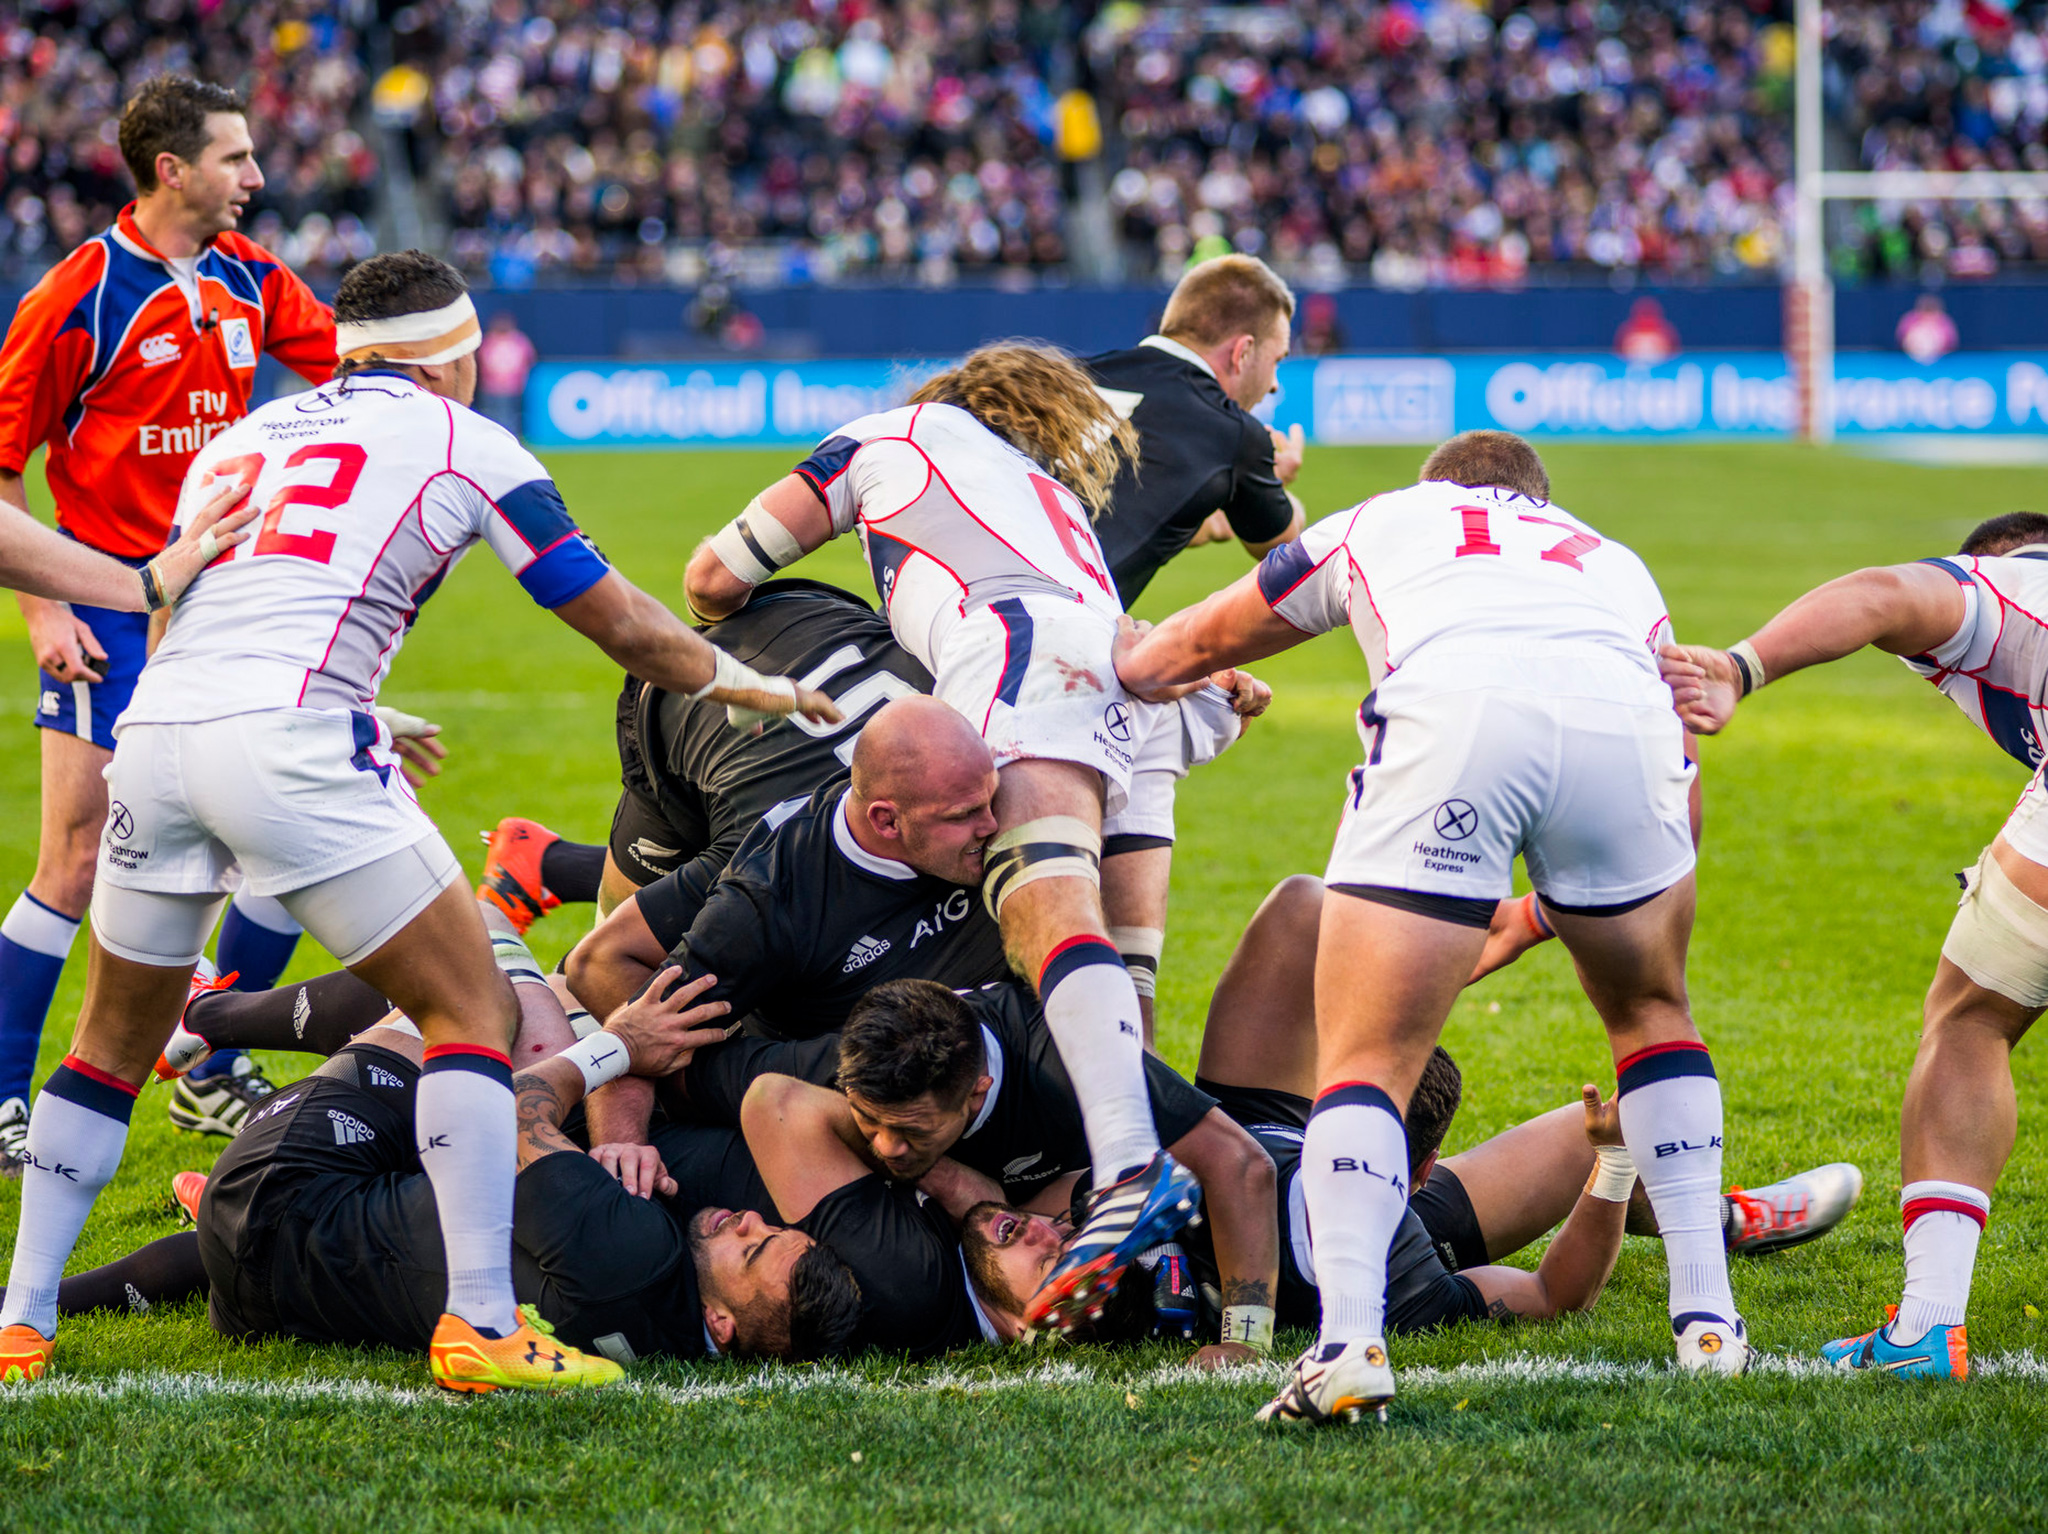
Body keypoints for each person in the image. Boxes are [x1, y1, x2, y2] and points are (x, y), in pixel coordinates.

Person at [0, 250, 840, 1391]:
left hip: (157, 735)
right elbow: (626, 625)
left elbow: (232, 608)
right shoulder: (465, 439)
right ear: (452, 353)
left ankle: (23, 1318)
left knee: (106, 1047)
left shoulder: (244, 437)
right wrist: (755, 685)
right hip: (291, 742)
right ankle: (481, 1323)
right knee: (473, 1009)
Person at [1114, 429, 1741, 1424]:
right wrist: (1574, 900)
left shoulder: (1388, 517)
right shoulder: (1613, 560)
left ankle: (1347, 1343)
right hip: (1622, 742)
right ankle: (1707, 1321)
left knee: (1366, 1055)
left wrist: (1136, 665)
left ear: (1439, 486)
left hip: (1456, 720)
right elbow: (1674, 748)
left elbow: (1209, 634)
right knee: (1654, 1015)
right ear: (1540, 495)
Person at [683, 342, 1257, 1337]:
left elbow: (712, 576)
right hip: (1120, 674)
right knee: (1122, 980)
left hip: (1023, 648)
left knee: (1041, 920)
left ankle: (1126, 1173)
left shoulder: (882, 435)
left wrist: (739, 622)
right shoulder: (1043, 490)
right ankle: (1145, 1227)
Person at [0, 74, 338, 1162]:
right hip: (112, 609)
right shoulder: (77, 296)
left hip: (233, 606)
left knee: (286, 835)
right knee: (77, 856)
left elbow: (351, 365)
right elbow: (2, 471)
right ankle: (7, 1093)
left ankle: (209, 1059)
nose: (256, 177)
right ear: (171, 171)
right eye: (236, 159)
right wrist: (45, 608)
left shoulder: (249, 276)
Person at [1659, 509, 2048, 1380]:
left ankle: (1927, 1331)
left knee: (1969, 1022)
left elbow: (1880, 595)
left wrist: (1739, 666)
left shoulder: (2005, 586)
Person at [101, 970, 861, 1370]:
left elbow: (513, 1107)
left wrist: (620, 1045)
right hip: (264, 1294)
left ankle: (204, 1017)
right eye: (772, 1226)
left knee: (482, 986)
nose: (750, 1218)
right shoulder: (657, 1331)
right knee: (447, 1186)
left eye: (753, 1248)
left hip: (288, 1178)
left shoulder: (635, 1256)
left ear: (722, 1326)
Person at [480, 580, 935, 930]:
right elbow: (707, 583)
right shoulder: (784, 856)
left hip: (807, 629)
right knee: (631, 957)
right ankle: (500, 936)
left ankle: (544, 863)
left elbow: (711, 582)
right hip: (693, 709)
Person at [1084, 253, 1306, 609]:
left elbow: (1112, 506)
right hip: (1041, 638)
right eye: (1276, 359)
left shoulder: (1073, 374)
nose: (1274, 385)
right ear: (1243, 352)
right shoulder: (1232, 432)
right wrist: (1275, 483)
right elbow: (1281, 545)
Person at [475, 310, 536, 438]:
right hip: (494, 386)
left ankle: (506, 439)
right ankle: (495, 439)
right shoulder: (492, 340)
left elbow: (528, 359)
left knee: (508, 416)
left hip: (507, 386)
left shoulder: (517, 340)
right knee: (495, 416)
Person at [1897, 294, 1959, 366]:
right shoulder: (1910, 319)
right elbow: (1901, 339)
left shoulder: (1944, 321)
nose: (1928, 316)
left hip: (1941, 361)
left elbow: (1952, 343)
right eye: (1925, 312)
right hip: (1910, 360)